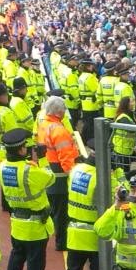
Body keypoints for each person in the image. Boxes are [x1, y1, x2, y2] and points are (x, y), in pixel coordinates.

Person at [61, 144, 126, 270]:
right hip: (96, 235)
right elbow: (124, 192)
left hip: (74, 231)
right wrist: (118, 173)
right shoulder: (104, 179)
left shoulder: (76, 170)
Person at [0, 128, 53, 270]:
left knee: (17, 256)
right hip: (35, 225)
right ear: (21, 150)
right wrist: (42, 158)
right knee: (36, 261)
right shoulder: (30, 171)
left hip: (17, 222)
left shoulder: (2, 167)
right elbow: (50, 178)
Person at [35, 95, 79, 251]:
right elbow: (66, 159)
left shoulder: (43, 124)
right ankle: (62, 243)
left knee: (54, 209)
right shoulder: (59, 130)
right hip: (60, 178)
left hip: (48, 173)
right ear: (59, 112)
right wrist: (74, 176)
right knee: (62, 213)